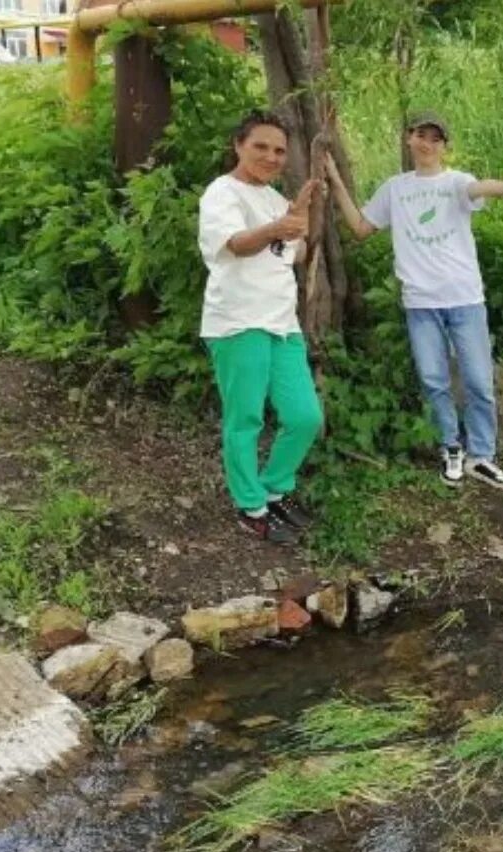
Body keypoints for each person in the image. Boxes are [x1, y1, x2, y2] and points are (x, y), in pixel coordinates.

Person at [323, 111, 503, 489]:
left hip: (465, 299)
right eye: (421, 135)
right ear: (409, 139)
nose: (427, 143)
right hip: (420, 303)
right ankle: (451, 447)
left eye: (435, 138)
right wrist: (334, 180)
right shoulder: (395, 188)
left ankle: (481, 456)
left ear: (444, 146)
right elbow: (361, 227)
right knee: (434, 379)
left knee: (479, 381)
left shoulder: (456, 182)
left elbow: (478, 189)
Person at [198, 110, 325, 546]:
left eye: (279, 150)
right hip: (237, 322)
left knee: (305, 416)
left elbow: (293, 255)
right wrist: (279, 226)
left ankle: (274, 489)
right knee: (245, 418)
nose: (271, 157)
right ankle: (250, 507)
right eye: (261, 147)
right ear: (238, 145)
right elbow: (236, 243)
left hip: (282, 323)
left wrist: (301, 226)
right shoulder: (222, 193)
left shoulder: (276, 200)